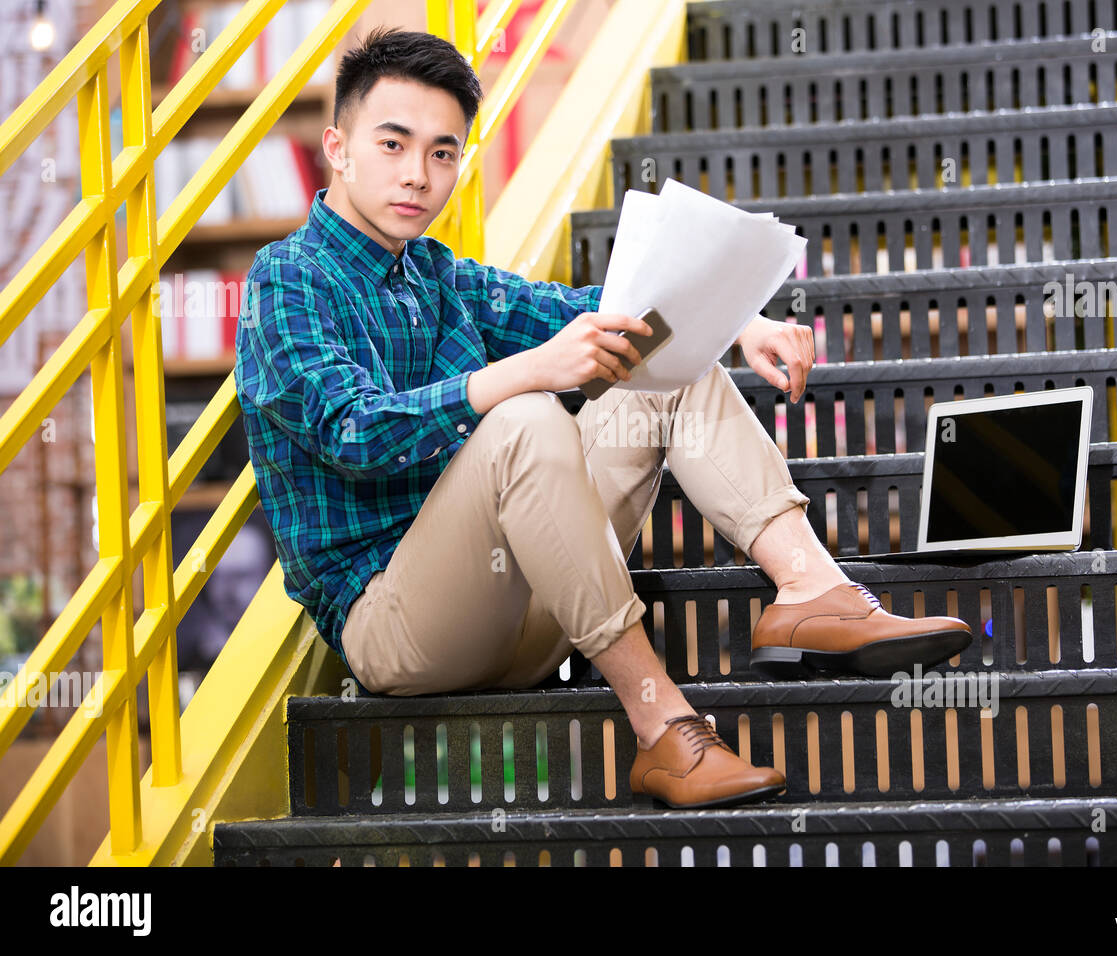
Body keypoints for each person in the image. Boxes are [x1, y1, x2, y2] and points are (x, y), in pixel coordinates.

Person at [234, 27, 973, 810]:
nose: (419, 175)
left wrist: (736, 323)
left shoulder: (436, 275)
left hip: (525, 612)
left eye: (443, 152)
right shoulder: (287, 277)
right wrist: (525, 373)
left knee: (657, 362)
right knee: (524, 420)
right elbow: (351, 431)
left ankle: (810, 589)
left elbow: (592, 312)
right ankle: (665, 732)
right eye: (394, 144)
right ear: (338, 148)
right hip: (401, 630)